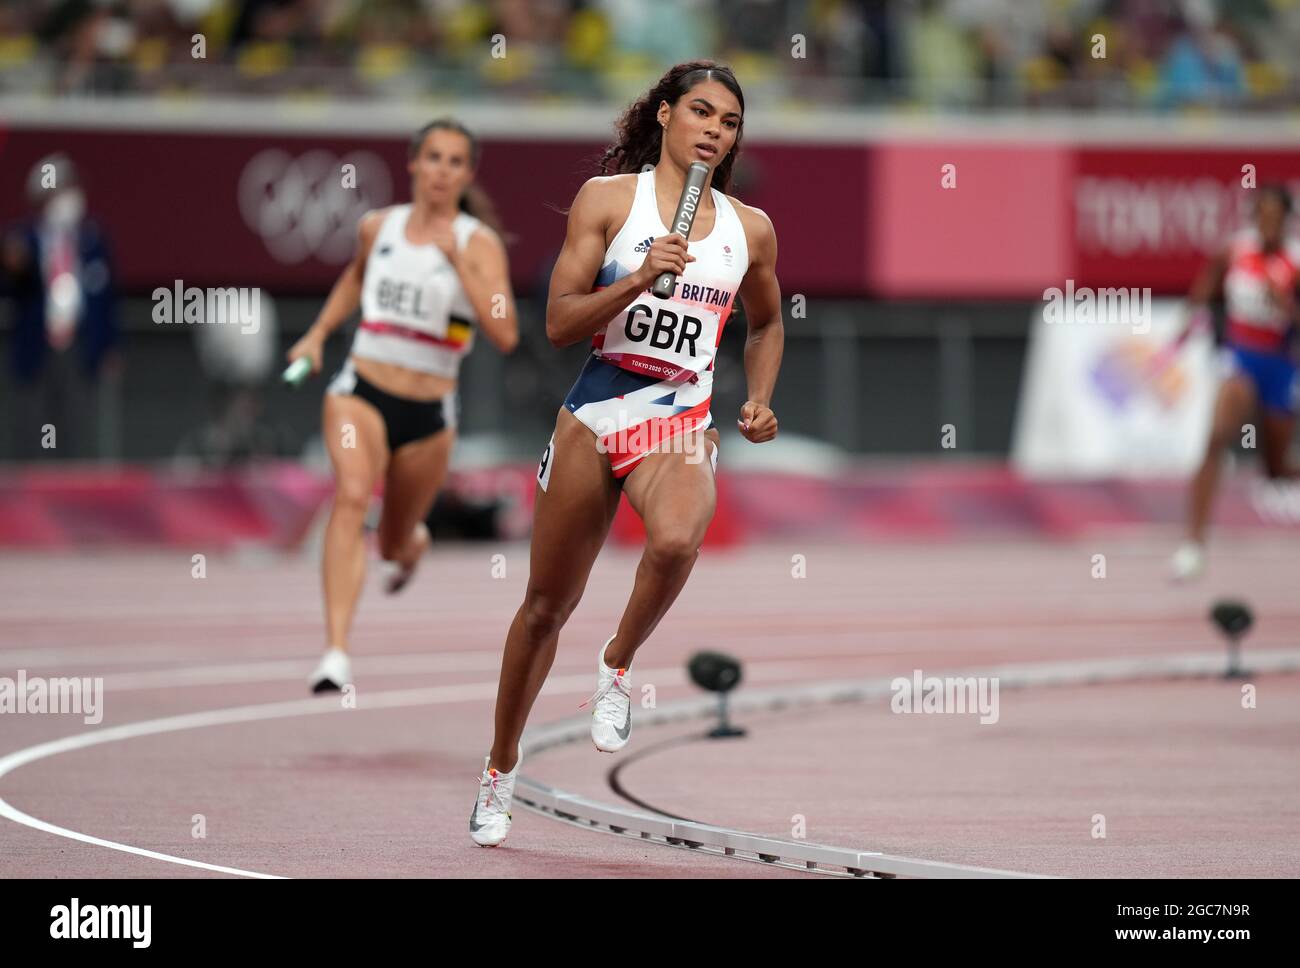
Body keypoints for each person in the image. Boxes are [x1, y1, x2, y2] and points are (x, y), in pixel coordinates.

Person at [469, 62, 784, 847]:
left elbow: (769, 322)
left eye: (731, 121)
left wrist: (760, 397)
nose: (715, 129)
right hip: (594, 414)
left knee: (678, 538)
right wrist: (641, 277)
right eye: (702, 112)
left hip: (679, 417)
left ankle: (617, 663)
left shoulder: (750, 229)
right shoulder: (609, 202)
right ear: (668, 115)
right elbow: (560, 323)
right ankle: (499, 769)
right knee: (544, 607)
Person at [286, 119, 519, 691]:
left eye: (454, 162)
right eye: (433, 158)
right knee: (351, 496)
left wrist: (460, 266)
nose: (441, 171)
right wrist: (316, 334)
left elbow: (505, 332)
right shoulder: (378, 226)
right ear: (413, 163)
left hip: (429, 413)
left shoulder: (476, 243)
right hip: (360, 392)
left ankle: (413, 546)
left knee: (394, 539)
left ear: (468, 174)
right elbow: (354, 279)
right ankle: (335, 654)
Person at [1170, 185, 1300, 580]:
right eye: (1262, 216)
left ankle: (1277, 470)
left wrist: (1287, 308)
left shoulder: (1295, 261)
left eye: (1275, 218)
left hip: (1280, 365)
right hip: (1241, 356)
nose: (1268, 224)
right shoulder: (1236, 251)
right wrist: (1187, 321)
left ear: (1287, 221)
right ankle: (1193, 545)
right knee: (1218, 436)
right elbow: (1207, 283)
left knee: (1275, 470)